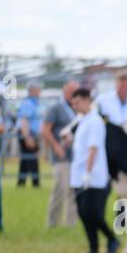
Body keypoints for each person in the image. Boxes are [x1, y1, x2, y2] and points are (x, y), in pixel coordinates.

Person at [69, 87, 118, 253]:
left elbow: (93, 148)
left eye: (76, 103)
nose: (74, 106)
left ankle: (112, 239)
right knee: (84, 214)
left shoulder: (95, 121)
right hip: (79, 175)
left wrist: (88, 172)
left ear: (85, 100)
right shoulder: (82, 120)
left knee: (92, 213)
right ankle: (94, 248)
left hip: (94, 176)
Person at [41, 80, 80, 229]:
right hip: (61, 156)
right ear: (65, 92)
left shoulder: (78, 109)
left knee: (68, 190)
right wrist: (56, 146)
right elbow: (45, 129)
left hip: (76, 156)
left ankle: (69, 222)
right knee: (63, 189)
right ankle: (53, 222)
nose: (74, 95)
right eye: (72, 92)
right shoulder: (56, 109)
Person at [16, 79, 42, 187]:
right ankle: (35, 183)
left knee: (27, 159)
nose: (40, 91)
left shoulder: (34, 102)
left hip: (31, 134)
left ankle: (22, 182)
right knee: (31, 159)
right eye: (38, 89)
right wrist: (27, 137)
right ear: (33, 90)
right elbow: (24, 120)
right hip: (27, 133)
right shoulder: (28, 103)